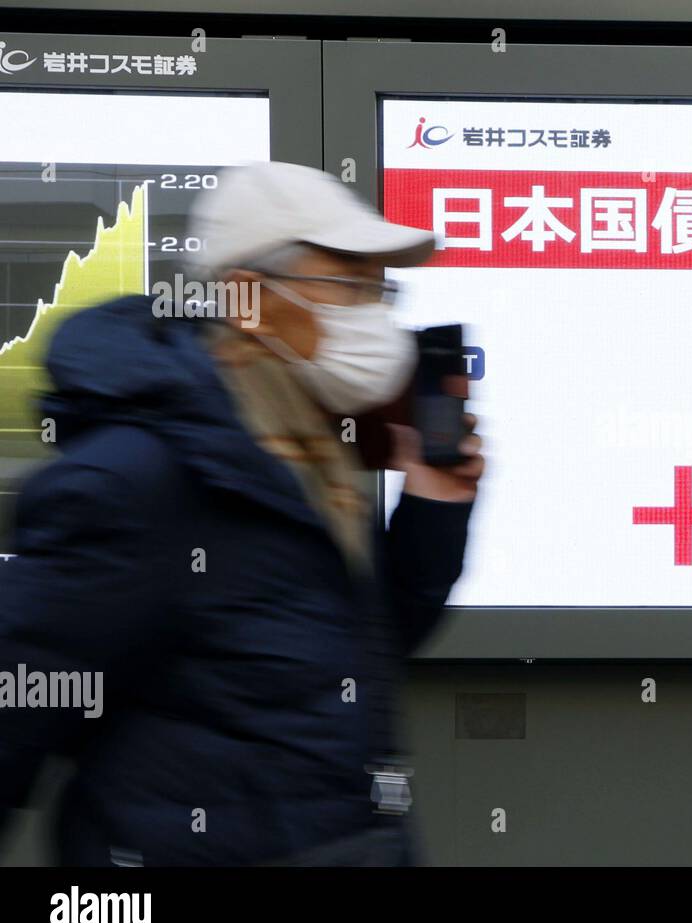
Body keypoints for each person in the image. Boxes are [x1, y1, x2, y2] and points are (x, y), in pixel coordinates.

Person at [0, 161, 481, 865]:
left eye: (382, 293)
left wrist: (434, 509)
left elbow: (341, 664)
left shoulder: (312, 453)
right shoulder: (136, 480)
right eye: (349, 287)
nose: (376, 319)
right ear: (249, 299)